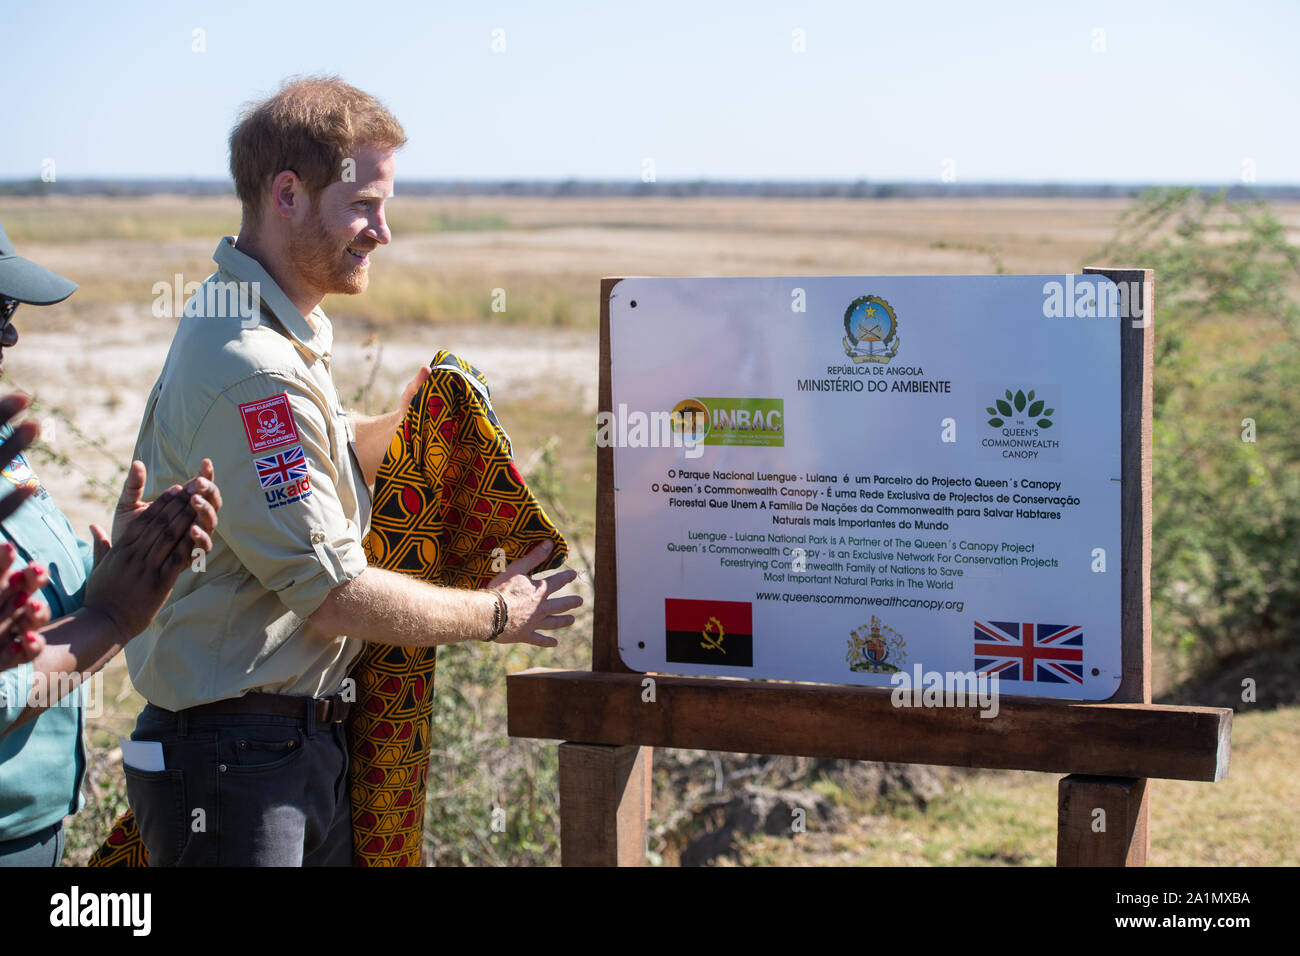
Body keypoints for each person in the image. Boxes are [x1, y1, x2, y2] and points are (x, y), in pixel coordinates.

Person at [123, 75, 581, 867]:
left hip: (273, 748)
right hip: (242, 759)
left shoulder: (263, 321)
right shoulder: (254, 367)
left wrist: (422, 421)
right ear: (289, 195)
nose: (383, 231)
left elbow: (318, 453)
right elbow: (334, 596)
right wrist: (496, 615)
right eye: (364, 204)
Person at [0, 222, 223, 866]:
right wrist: (115, 616)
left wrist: (123, 565)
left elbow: (35, 610)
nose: (11, 333)